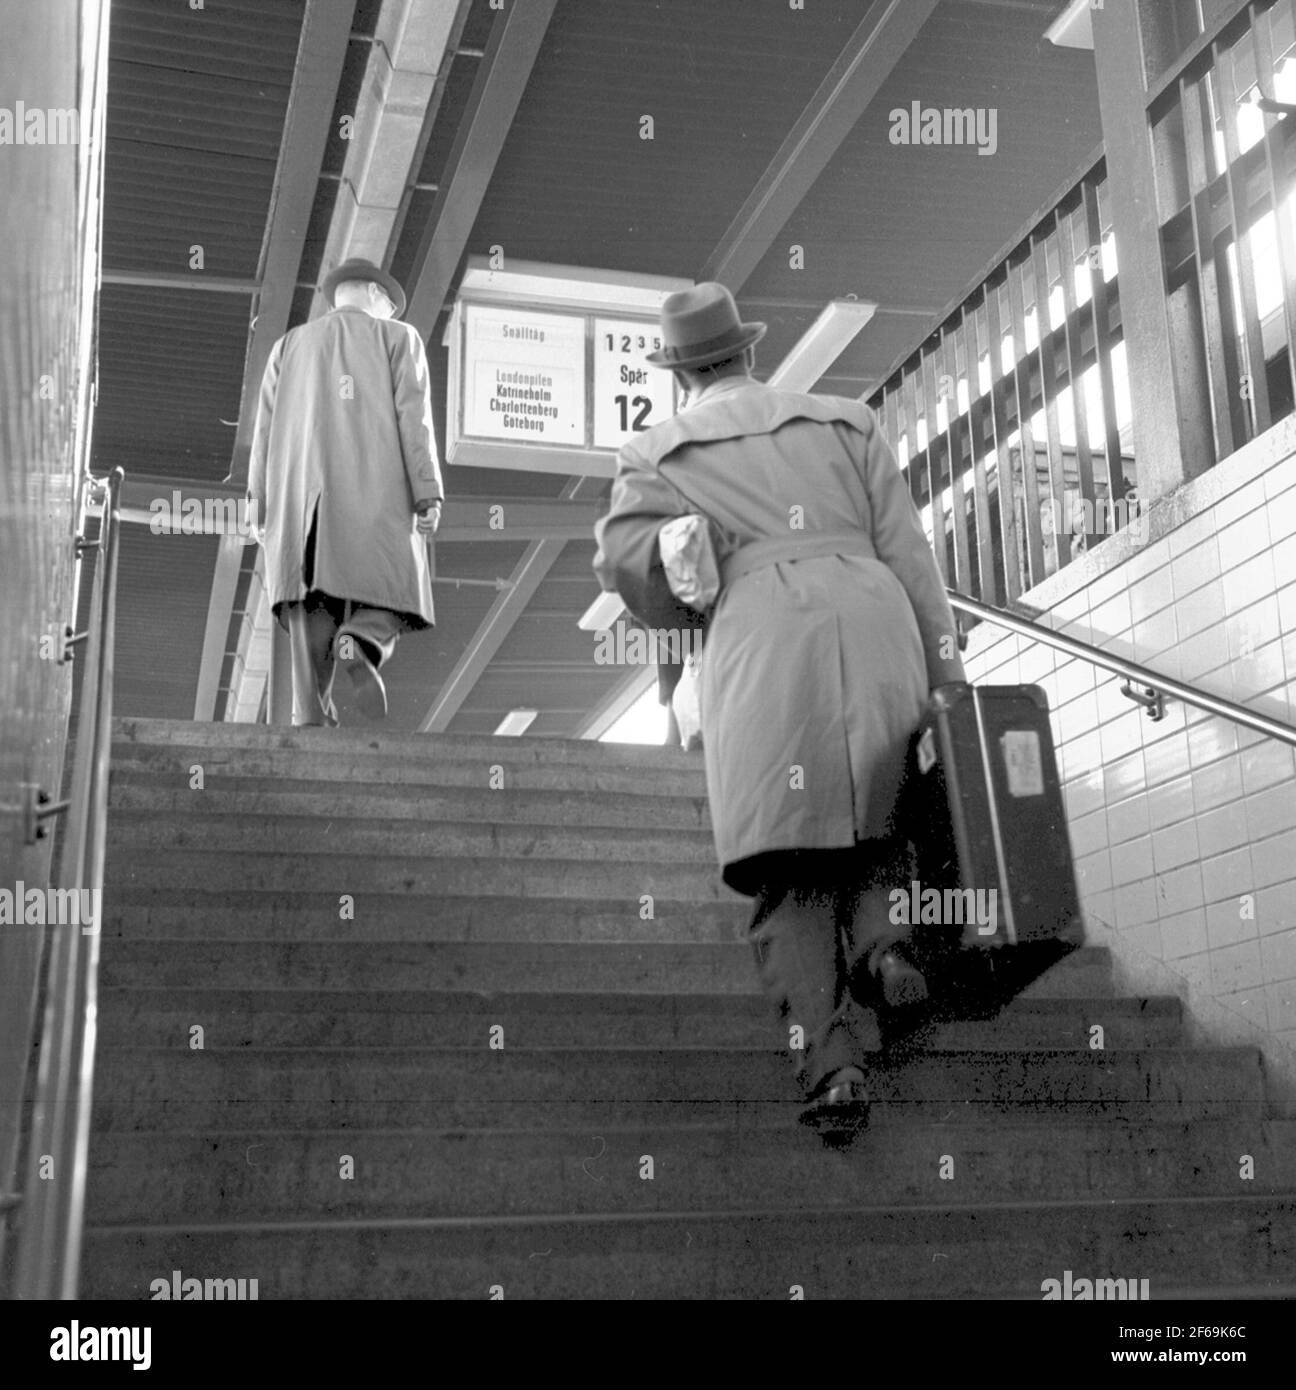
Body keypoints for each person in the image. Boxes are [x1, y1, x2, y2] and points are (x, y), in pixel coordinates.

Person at [593, 282, 966, 1138]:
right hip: (875, 625)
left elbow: (626, 566)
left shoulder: (658, 450)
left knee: (789, 867)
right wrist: (945, 669)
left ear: (680, 372)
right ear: (748, 351)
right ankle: (886, 948)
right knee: (879, 817)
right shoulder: (846, 421)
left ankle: (834, 1070)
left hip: (765, 646)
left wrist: (683, 578)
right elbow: (911, 554)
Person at [247, 257, 444, 726]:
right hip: (377, 497)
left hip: (300, 508)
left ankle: (311, 723)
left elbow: (264, 432)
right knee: (395, 586)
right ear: (376, 296)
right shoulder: (398, 338)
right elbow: (414, 419)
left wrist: (256, 506)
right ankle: (363, 639)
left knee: (311, 611)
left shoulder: (288, 346)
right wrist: (427, 491)